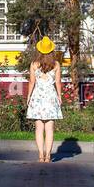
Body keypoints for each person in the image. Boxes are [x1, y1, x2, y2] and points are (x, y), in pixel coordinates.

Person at [25, 35, 63, 163]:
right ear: (51, 50)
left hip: (38, 98)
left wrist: (29, 96)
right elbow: (58, 82)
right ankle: (48, 156)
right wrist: (59, 96)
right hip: (51, 98)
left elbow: (31, 82)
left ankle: (41, 155)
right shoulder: (56, 64)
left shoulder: (34, 64)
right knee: (50, 129)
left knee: (39, 128)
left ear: (40, 50)